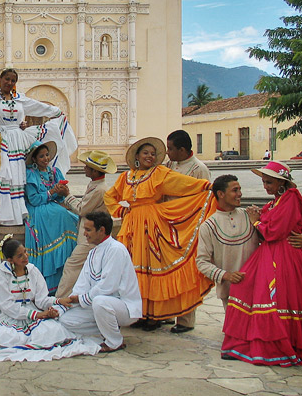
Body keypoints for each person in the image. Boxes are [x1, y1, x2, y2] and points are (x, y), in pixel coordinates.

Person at [221, 162, 302, 366]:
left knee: (279, 298)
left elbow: (274, 232)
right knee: (253, 290)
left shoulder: (291, 198)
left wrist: (256, 221)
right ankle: (257, 339)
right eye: (263, 182)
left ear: (282, 181)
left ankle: (281, 343)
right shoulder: (276, 202)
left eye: (269, 182)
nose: (265, 186)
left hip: (284, 256)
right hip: (272, 254)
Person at [104, 137, 214, 332]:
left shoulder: (160, 174)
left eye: (153, 154)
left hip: (152, 223)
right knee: (132, 269)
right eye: (145, 153)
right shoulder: (126, 177)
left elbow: (182, 183)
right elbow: (110, 195)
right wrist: (120, 211)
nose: (149, 156)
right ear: (137, 156)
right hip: (131, 225)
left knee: (151, 266)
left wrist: (205, 187)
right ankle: (138, 312)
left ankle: (153, 315)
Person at [197, 174, 302, 310]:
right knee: (237, 330)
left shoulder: (251, 216)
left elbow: (276, 235)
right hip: (231, 292)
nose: (240, 194)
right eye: (235, 190)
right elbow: (202, 262)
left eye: (240, 189)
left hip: (260, 288)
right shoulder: (208, 226)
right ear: (220, 194)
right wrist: (226, 275)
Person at [0, 68, 66, 226]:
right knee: (4, 174)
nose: (9, 83)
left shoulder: (20, 100)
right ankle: (0, 214)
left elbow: (39, 107)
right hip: (0, 139)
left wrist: (56, 112)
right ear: (0, 79)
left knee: (17, 173)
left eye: (13, 80)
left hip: (17, 140)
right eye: (7, 79)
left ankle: (18, 213)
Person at [58, 212, 142, 353]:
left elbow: (108, 286)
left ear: (101, 230)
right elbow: (82, 284)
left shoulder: (116, 249)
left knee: (100, 302)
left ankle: (115, 342)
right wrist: (69, 302)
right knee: (66, 319)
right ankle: (106, 328)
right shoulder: (92, 253)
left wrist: (81, 299)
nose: (84, 234)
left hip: (124, 306)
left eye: (88, 230)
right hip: (98, 303)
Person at [0, 236, 79, 351]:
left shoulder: (32, 270)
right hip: (9, 314)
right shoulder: (1, 274)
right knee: (5, 336)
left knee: (53, 331)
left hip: (31, 312)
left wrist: (58, 301)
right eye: (20, 256)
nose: (25, 256)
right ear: (10, 260)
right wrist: (37, 315)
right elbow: (7, 306)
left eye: (25, 252)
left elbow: (41, 300)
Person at [164, 129, 210, 331]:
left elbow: (204, 199)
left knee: (185, 274)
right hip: (167, 224)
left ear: (183, 150)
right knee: (166, 271)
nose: (168, 152)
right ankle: (165, 312)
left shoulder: (199, 169)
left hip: (188, 226)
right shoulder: (170, 165)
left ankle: (185, 319)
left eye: (171, 149)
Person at [56, 150, 117, 298]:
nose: (84, 169)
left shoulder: (99, 190)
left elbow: (82, 209)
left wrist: (67, 196)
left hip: (90, 238)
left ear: (95, 171)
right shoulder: (95, 185)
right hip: (90, 235)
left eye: (87, 167)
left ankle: (60, 300)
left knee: (72, 266)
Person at [24, 140, 78, 294]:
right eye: (41, 156)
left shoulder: (54, 172)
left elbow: (60, 199)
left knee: (75, 219)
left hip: (52, 206)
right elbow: (33, 199)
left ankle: (65, 272)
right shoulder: (31, 174)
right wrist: (52, 192)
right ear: (34, 159)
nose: (46, 158)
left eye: (47, 155)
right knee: (62, 214)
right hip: (37, 209)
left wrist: (61, 192)